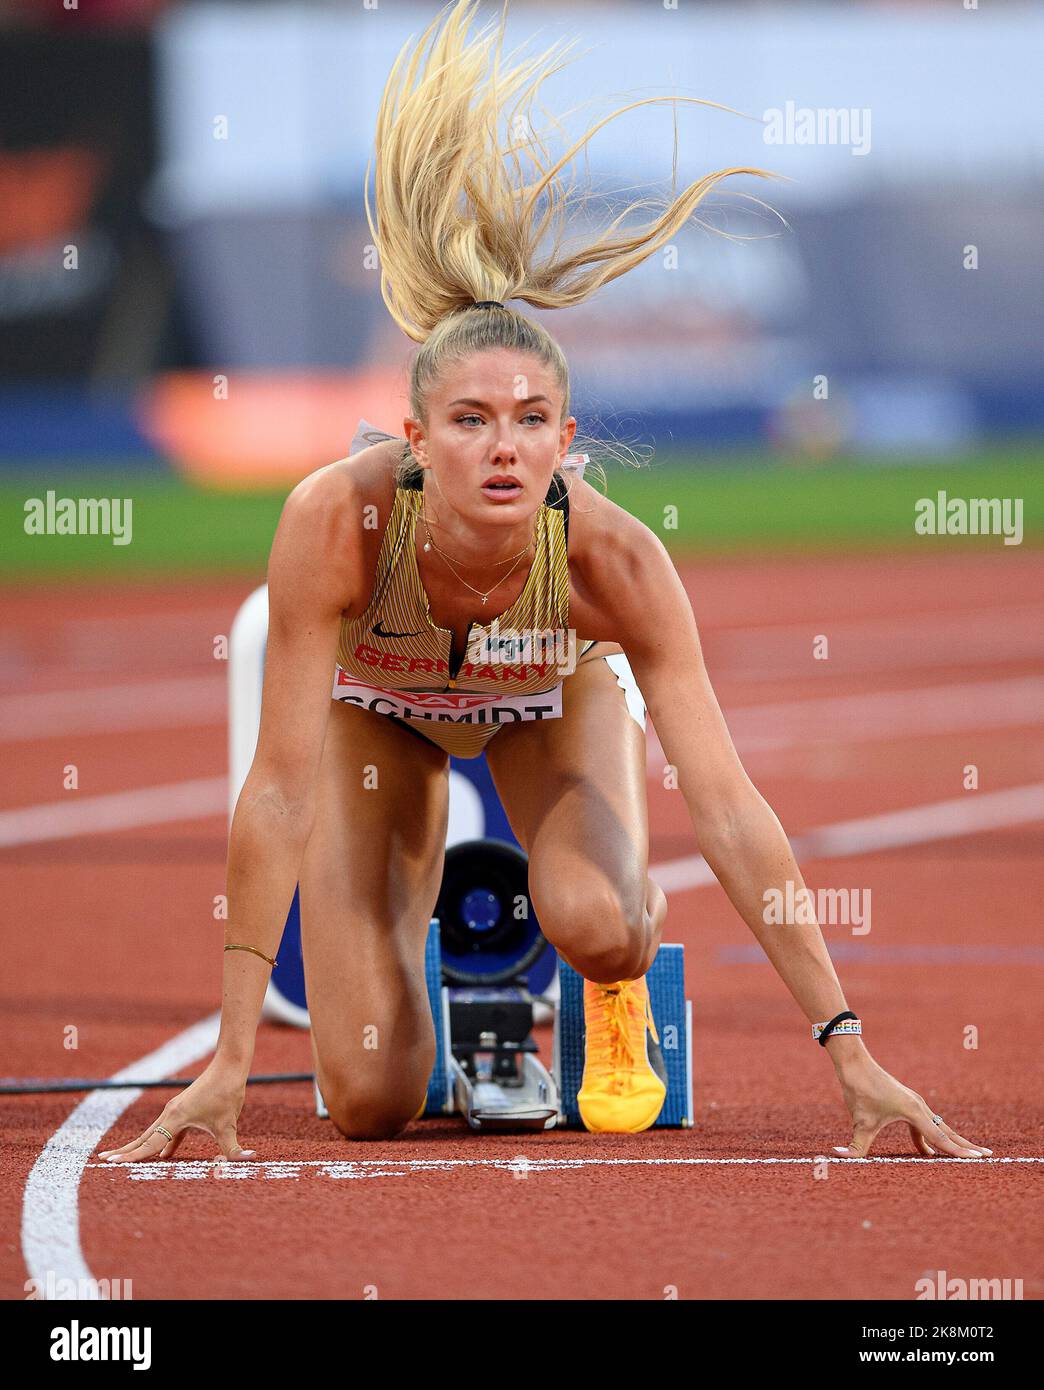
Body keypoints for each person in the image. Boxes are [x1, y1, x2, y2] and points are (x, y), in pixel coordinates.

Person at [98, 0, 989, 1161]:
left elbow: (726, 803)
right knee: (370, 1100)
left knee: (595, 921)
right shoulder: (338, 520)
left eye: (529, 421)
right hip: (382, 718)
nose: (503, 446)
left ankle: (612, 985)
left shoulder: (612, 561)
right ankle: (437, 978)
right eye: (470, 420)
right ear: (414, 437)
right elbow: (275, 791)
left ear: (567, 436)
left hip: (546, 705)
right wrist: (225, 1059)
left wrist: (849, 1047)